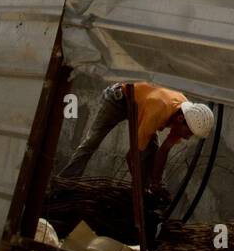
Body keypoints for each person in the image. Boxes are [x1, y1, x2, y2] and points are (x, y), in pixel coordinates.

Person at [59, 81, 216, 193]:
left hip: (142, 107)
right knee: (91, 142)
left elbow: (164, 150)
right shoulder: (159, 111)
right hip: (119, 99)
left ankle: (148, 189)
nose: (187, 138)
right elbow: (132, 156)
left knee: (153, 149)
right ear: (180, 120)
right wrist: (138, 188)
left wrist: (156, 182)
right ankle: (64, 183)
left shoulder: (186, 115)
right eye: (188, 133)